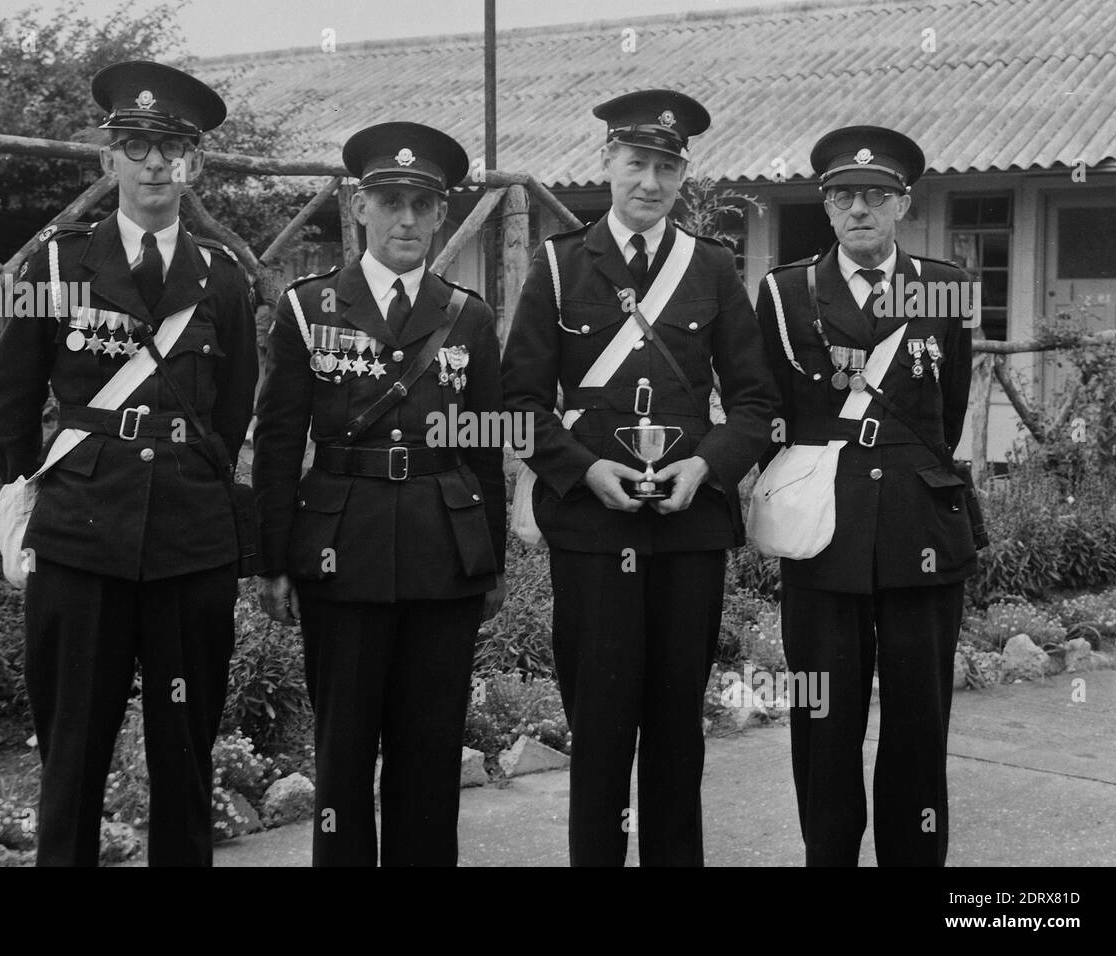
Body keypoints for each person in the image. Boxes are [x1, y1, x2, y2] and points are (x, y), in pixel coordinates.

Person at [0, 60, 258, 866]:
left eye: (171, 147)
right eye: (136, 146)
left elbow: (234, 407)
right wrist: (25, 489)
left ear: (195, 164)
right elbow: (11, 392)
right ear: (109, 161)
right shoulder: (59, 267)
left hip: (188, 545)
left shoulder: (224, 281)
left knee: (185, 755)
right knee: (72, 754)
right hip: (81, 541)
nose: (153, 164)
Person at [502, 89, 777, 866]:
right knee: (598, 725)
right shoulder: (559, 266)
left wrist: (707, 466)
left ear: (682, 174)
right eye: (636, 164)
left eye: (665, 167)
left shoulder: (713, 267)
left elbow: (756, 404)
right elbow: (519, 403)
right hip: (594, 531)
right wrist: (584, 471)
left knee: (676, 728)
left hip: (688, 527)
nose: (649, 182)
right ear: (608, 165)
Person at [253, 121, 506, 867]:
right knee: (343, 750)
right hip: (341, 553)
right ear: (359, 207)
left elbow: (488, 446)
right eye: (390, 201)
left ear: (440, 216)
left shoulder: (468, 316)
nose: (405, 220)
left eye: (421, 205)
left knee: (429, 753)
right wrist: (271, 560)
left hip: (443, 554)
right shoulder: (309, 309)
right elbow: (275, 442)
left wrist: (490, 562)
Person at [754, 126, 977, 866]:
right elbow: (771, 404)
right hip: (826, 531)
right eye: (845, 195)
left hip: (920, 527)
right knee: (822, 718)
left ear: (903, 204)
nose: (860, 209)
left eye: (876, 196)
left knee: (919, 721)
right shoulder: (785, 292)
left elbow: (948, 406)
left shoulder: (944, 285)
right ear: (825, 206)